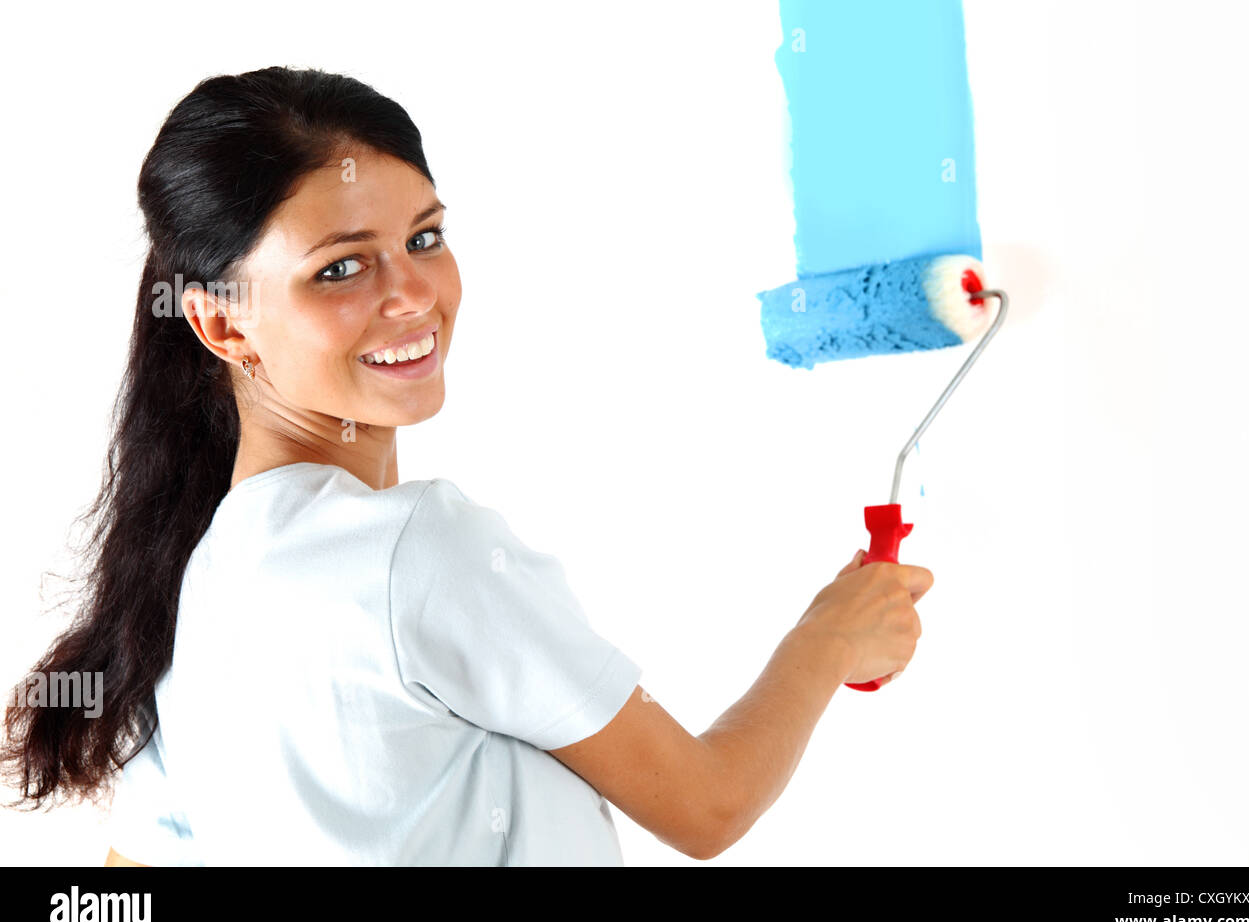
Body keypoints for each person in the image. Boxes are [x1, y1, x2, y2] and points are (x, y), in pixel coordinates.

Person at [2, 66, 933, 865]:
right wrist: (831, 639)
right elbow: (707, 807)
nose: (412, 295)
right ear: (221, 323)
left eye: (424, 237)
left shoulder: (196, 596)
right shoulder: (419, 550)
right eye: (339, 268)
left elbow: (131, 875)